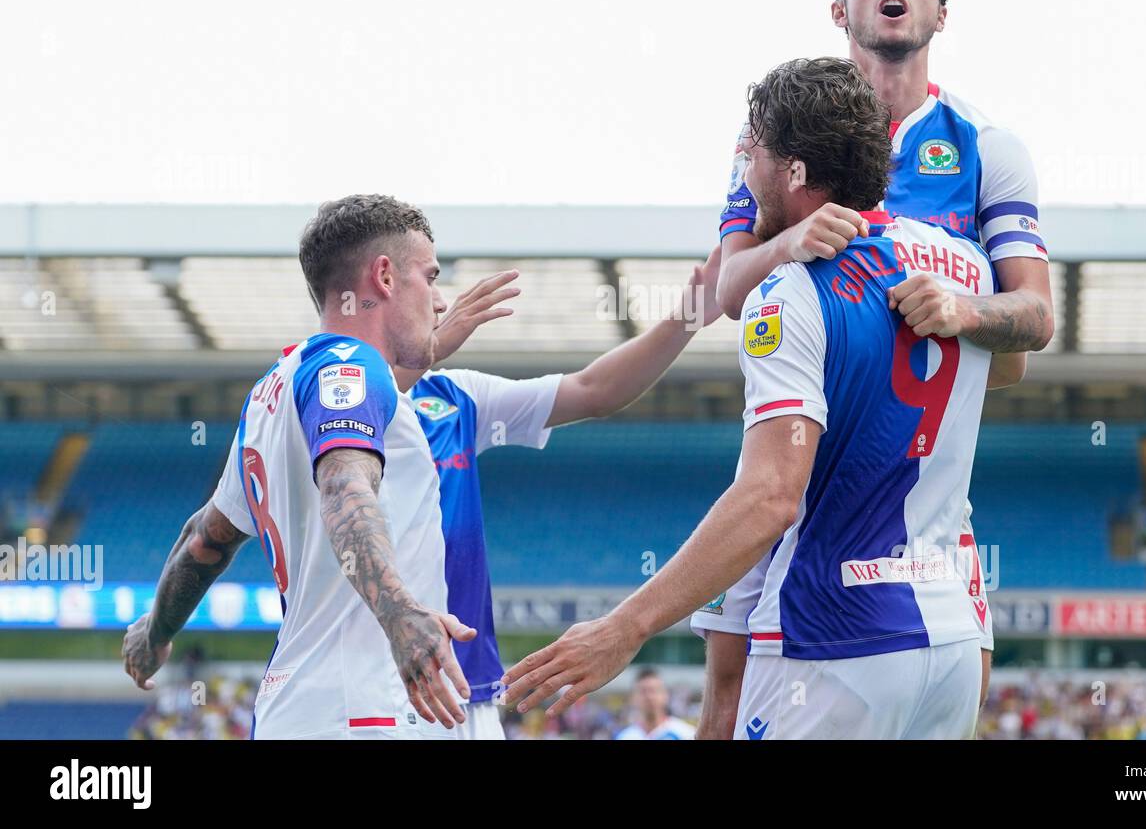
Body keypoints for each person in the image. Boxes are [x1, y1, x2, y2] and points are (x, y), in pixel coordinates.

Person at [502, 57, 992, 738]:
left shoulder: (790, 293)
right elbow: (1011, 367)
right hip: (952, 645)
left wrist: (624, 628)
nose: (744, 167)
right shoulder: (963, 268)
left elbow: (770, 497)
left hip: (832, 647)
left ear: (791, 172)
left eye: (752, 152)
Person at [694, 0, 1056, 734]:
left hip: (917, 480)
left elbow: (1033, 319)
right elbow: (724, 290)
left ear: (940, 8)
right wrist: (788, 240)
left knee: (953, 698)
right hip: (795, 445)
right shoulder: (775, 133)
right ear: (838, 5)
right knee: (724, 701)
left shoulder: (987, 149)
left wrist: (965, 311)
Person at [122, 194, 476, 739]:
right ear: (384, 276)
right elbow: (344, 485)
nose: (440, 300)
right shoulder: (354, 367)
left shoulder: (274, 391)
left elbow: (204, 540)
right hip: (365, 711)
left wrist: (155, 632)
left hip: (294, 710)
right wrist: (402, 614)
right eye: (430, 277)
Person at [390, 251, 722, 739]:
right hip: (376, 692)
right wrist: (429, 351)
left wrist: (686, 319)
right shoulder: (317, 388)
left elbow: (594, 390)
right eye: (428, 282)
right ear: (380, 287)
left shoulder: (457, 399)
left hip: (469, 700)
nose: (441, 302)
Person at [614, 668, 696, 740]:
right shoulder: (625, 737)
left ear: (666, 695)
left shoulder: (686, 734)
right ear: (633, 698)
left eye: (654, 691)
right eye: (643, 691)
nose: (649, 697)